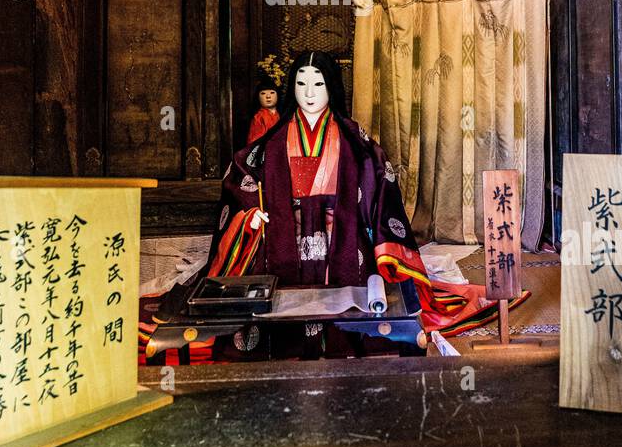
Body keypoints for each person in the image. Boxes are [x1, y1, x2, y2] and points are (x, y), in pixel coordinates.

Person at [155, 51, 495, 334]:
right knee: (265, 307)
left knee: (362, 304)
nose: (310, 92)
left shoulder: (352, 136)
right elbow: (242, 172)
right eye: (301, 83)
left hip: (340, 233)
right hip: (284, 231)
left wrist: (367, 214)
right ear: (292, 88)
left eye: (318, 83)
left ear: (331, 86)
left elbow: (379, 177)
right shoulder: (274, 139)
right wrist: (250, 213)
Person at [246, 76, 280, 144]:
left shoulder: (280, 114)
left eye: (272, 92)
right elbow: (255, 141)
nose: (268, 96)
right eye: (263, 93)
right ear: (258, 97)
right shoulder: (259, 117)